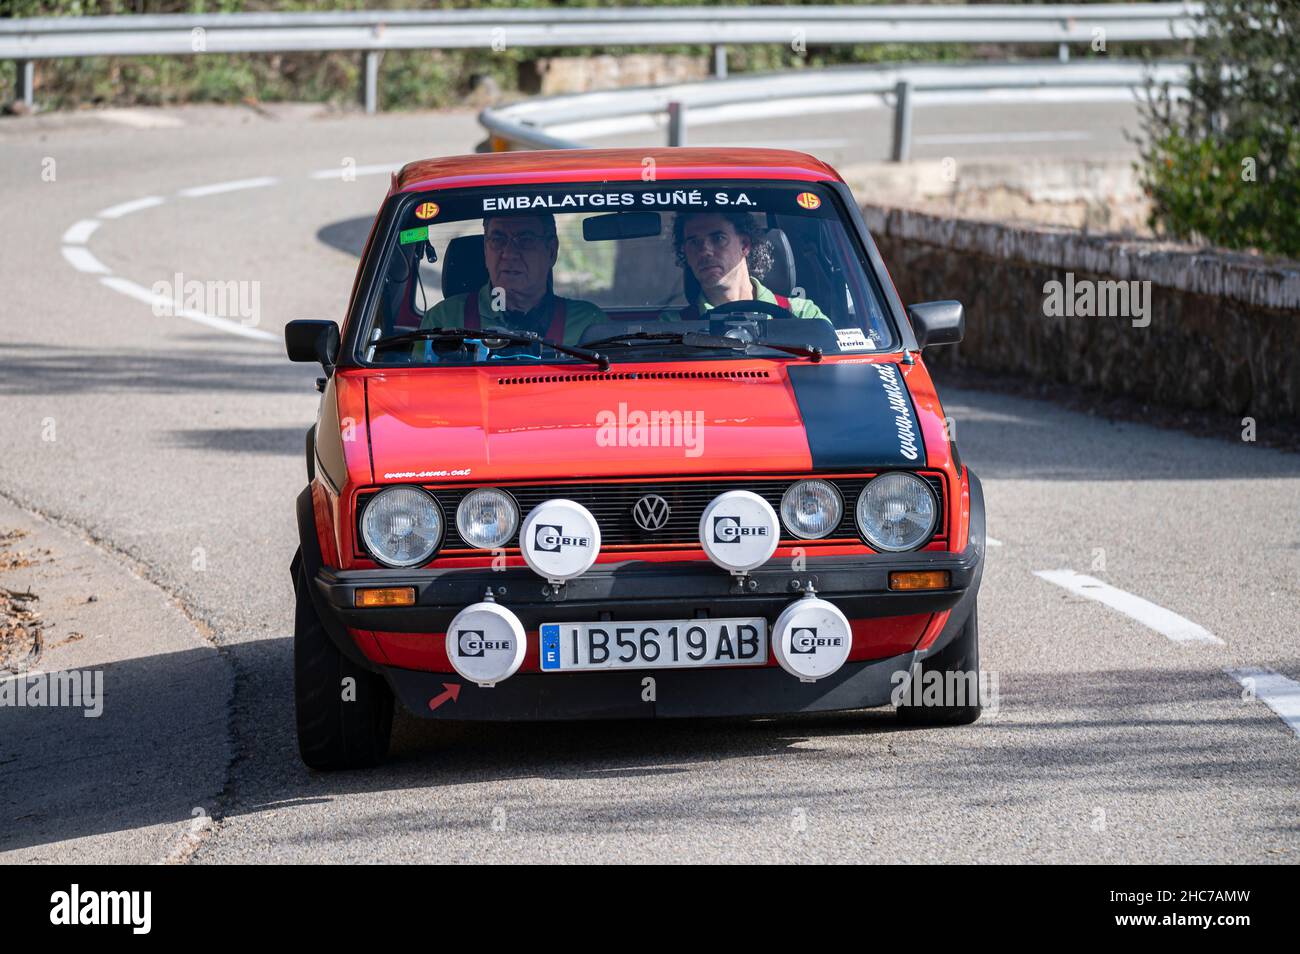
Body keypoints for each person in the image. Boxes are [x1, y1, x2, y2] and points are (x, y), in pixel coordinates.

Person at [418, 212, 605, 349]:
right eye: (498, 239)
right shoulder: (443, 321)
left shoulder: (588, 324)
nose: (508, 254)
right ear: (485, 250)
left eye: (525, 240)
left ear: (551, 251)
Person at [665, 211, 831, 322]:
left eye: (718, 238)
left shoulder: (802, 315)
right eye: (694, 242)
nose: (705, 251)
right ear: (685, 252)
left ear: (744, 244)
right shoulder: (673, 326)